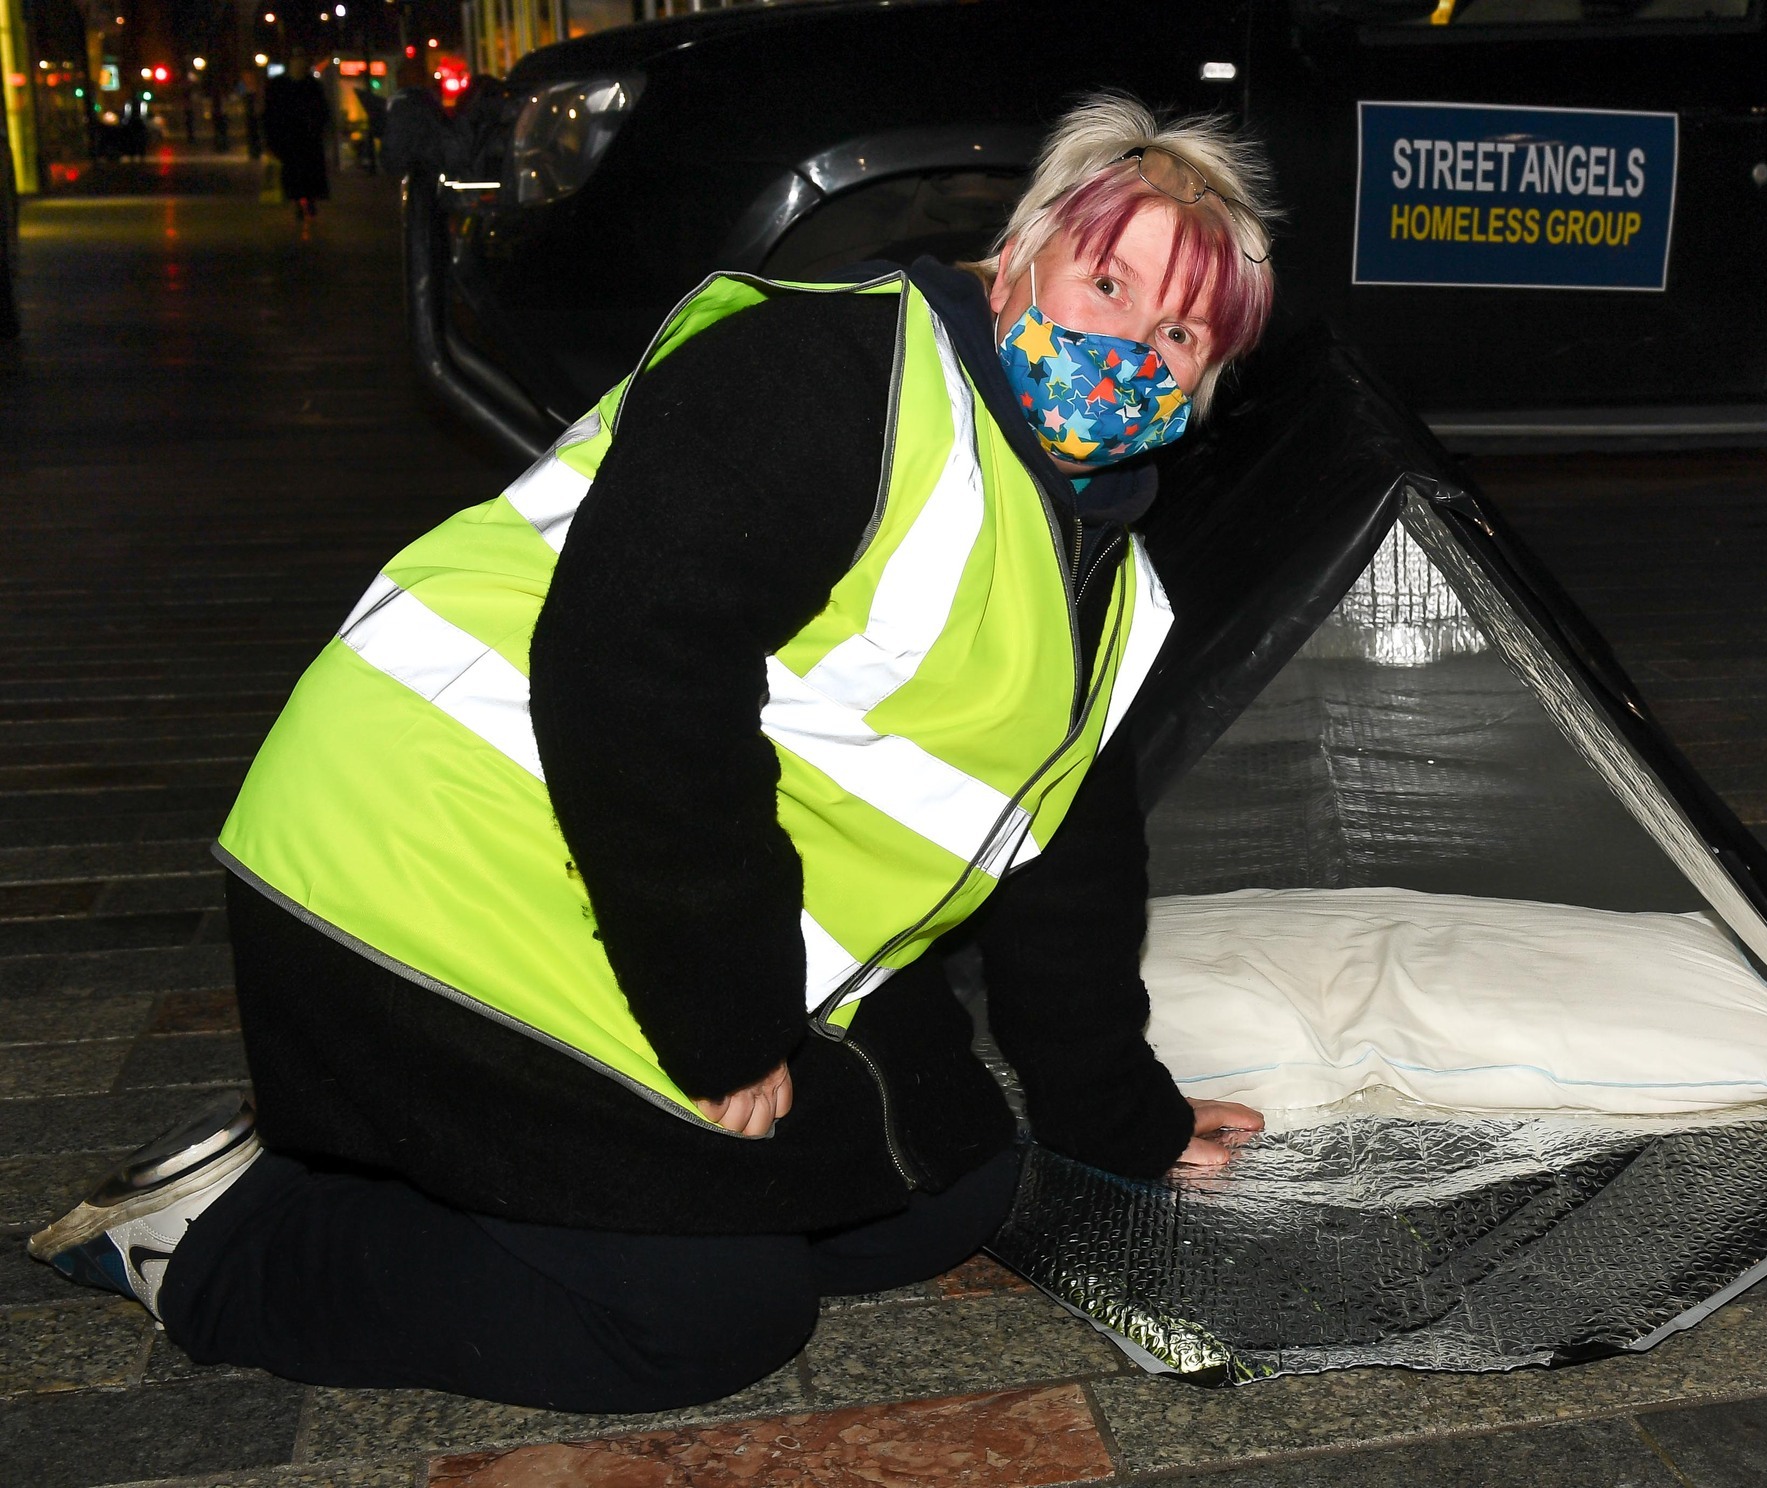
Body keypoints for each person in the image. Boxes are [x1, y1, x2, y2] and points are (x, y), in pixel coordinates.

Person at [29, 95, 1279, 1412]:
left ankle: (416, 1169)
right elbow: (634, 672)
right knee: (704, 1320)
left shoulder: (1103, 587)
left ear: (1204, 386)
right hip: (421, 866)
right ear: (1015, 258)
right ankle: (215, 1243)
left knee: (946, 1192)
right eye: (1107, 282)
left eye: (1179, 334)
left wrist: (1124, 1122)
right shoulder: (834, 368)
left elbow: (1070, 882)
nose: (1128, 347)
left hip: (604, 883)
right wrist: (728, 1026)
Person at [262, 54, 329, 219]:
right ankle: (299, 201)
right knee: (295, 171)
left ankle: (307, 200)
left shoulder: (310, 86)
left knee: (306, 171)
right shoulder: (285, 86)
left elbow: (322, 111)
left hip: (306, 138)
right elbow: (270, 113)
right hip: (291, 138)